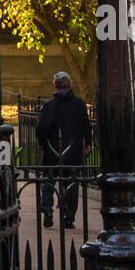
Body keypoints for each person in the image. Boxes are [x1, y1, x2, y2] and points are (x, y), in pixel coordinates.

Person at [35, 72, 92, 228]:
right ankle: (68, 217)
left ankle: (47, 209)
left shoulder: (50, 104)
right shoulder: (79, 104)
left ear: (55, 85)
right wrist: (88, 143)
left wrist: (42, 143)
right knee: (71, 185)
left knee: (48, 181)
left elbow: (41, 127)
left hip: (53, 150)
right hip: (73, 151)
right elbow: (86, 125)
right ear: (70, 85)